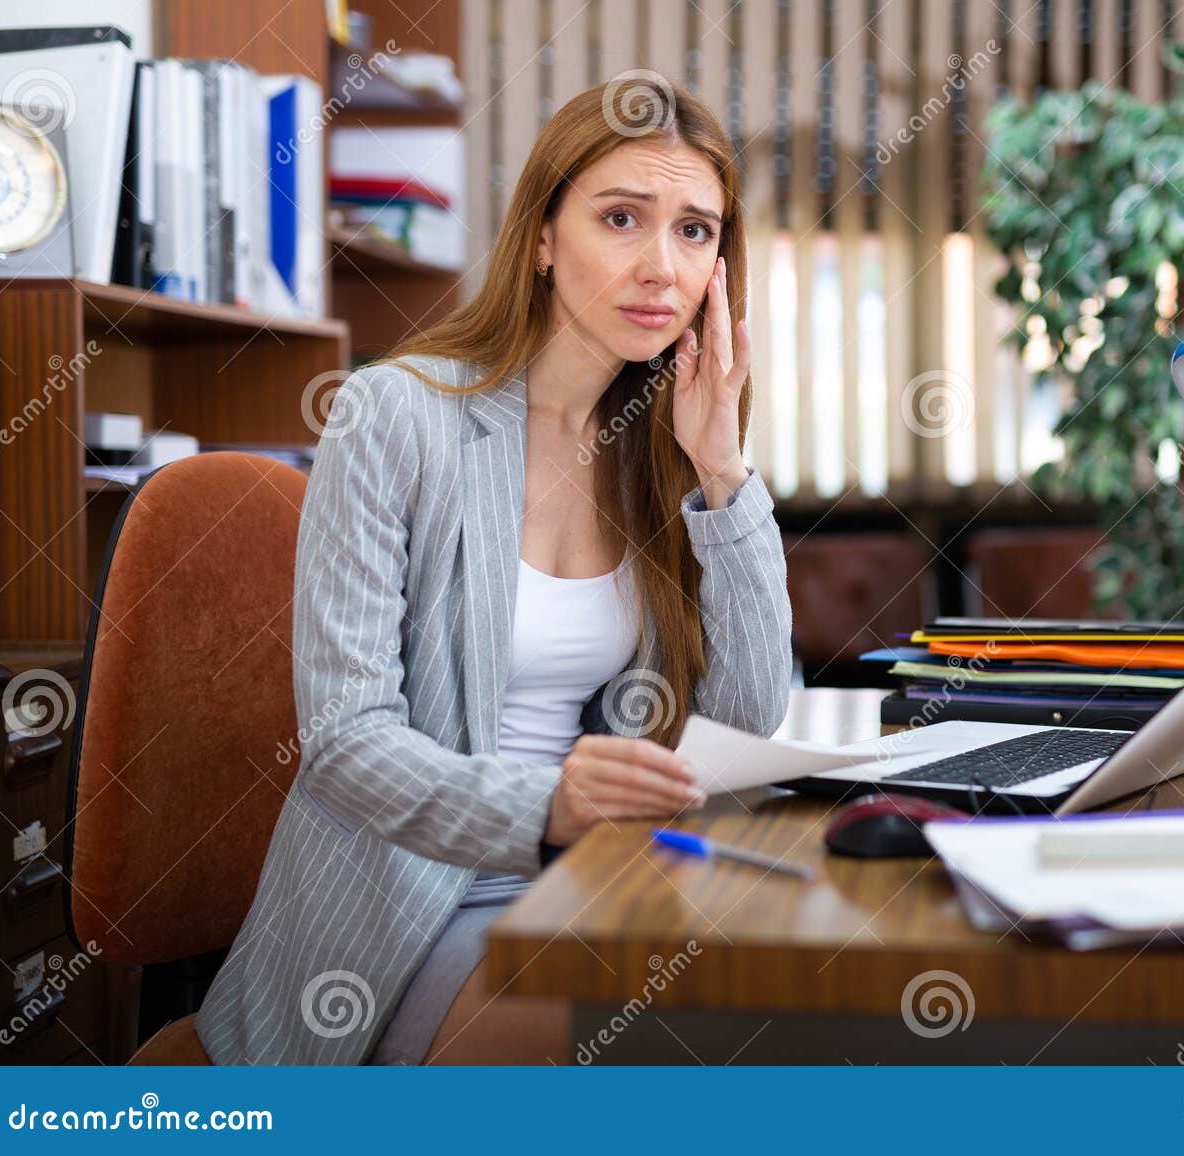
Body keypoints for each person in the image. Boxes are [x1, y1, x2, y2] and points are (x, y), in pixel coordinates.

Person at [193, 76, 793, 1064]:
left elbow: (747, 714)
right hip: (406, 912)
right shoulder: (392, 415)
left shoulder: (655, 452)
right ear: (545, 237)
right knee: (666, 1035)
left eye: (695, 231)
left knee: (773, 1008)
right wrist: (545, 807)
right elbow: (344, 741)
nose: (659, 265)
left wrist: (723, 473)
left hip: (594, 877)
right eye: (620, 218)